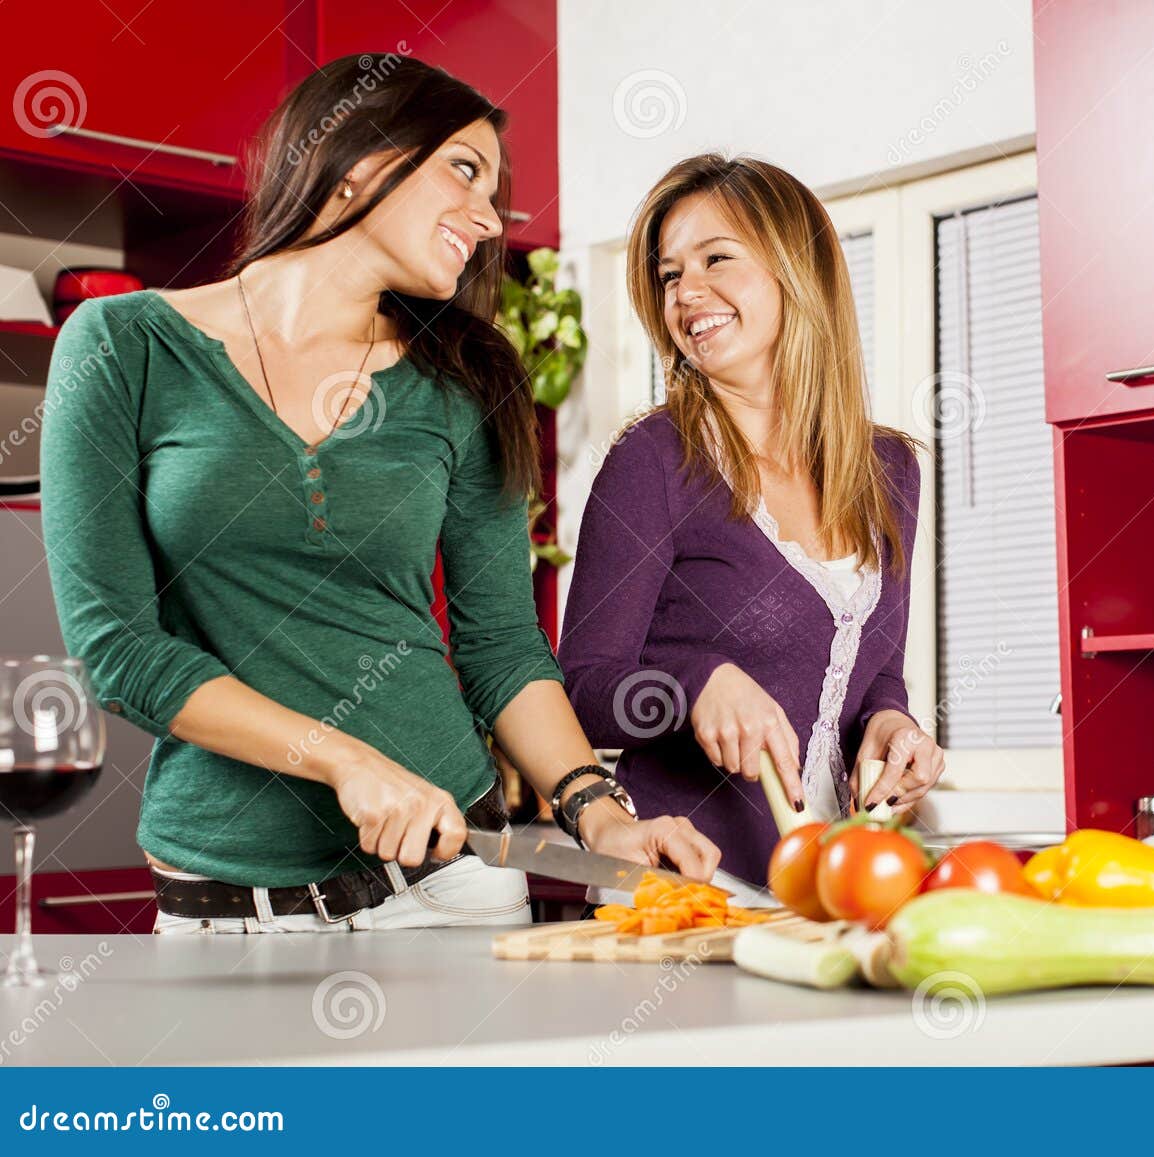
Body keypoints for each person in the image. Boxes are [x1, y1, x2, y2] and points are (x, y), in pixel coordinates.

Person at [40, 55, 717, 934]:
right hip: (230, 905)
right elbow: (119, 649)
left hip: (454, 882)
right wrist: (343, 760)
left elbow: (504, 648)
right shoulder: (123, 345)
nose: (488, 218)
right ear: (357, 160)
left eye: (493, 193)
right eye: (464, 170)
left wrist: (600, 814)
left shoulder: (467, 380)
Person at [561, 154, 946, 884]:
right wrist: (695, 685)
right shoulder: (655, 459)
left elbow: (877, 676)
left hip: (835, 890)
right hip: (689, 890)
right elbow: (580, 690)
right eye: (669, 275)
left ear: (797, 271)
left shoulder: (890, 469)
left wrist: (893, 725)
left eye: (716, 259)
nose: (686, 293)